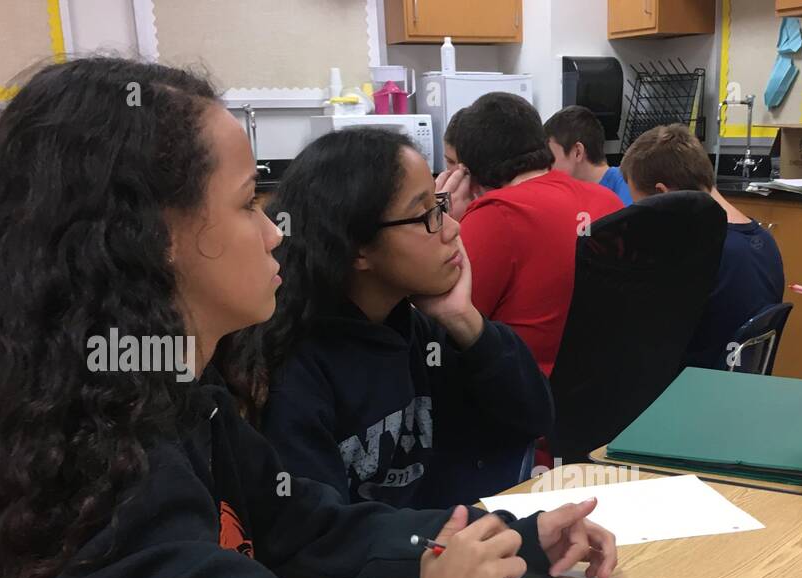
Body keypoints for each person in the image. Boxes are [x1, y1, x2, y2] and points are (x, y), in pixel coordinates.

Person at [0, 58, 617, 578]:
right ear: (150, 236)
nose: (273, 233)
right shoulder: (105, 442)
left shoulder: (178, 395)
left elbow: (308, 527)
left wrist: (514, 542)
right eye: (246, 204)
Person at [219, 127, 553, 506]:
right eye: (426, 215)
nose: (454, 228)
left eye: (439, 206)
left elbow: (533, 419)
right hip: (402, 557)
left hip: (437, 547)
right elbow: (318, 538)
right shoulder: (294, 369)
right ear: (357, 249)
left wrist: (464, 319)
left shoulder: (416, 330)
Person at [438, 92, 624, 377]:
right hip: (606, 387)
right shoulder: (607, 200)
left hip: (526, 395)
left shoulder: (494, 215)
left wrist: (447, 224)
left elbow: (446, 324)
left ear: (469, 172)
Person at [622, 123, 784, 372]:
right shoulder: (766, 241)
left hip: (690, 395)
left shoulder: (698, 255)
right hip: (738, 393)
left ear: (662, 196)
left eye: (641, 208)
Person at [545, 105, 634, 206]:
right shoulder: (574, 193)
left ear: (577, 152)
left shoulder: (629, 189)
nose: (546, 167)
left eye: (551, 157)